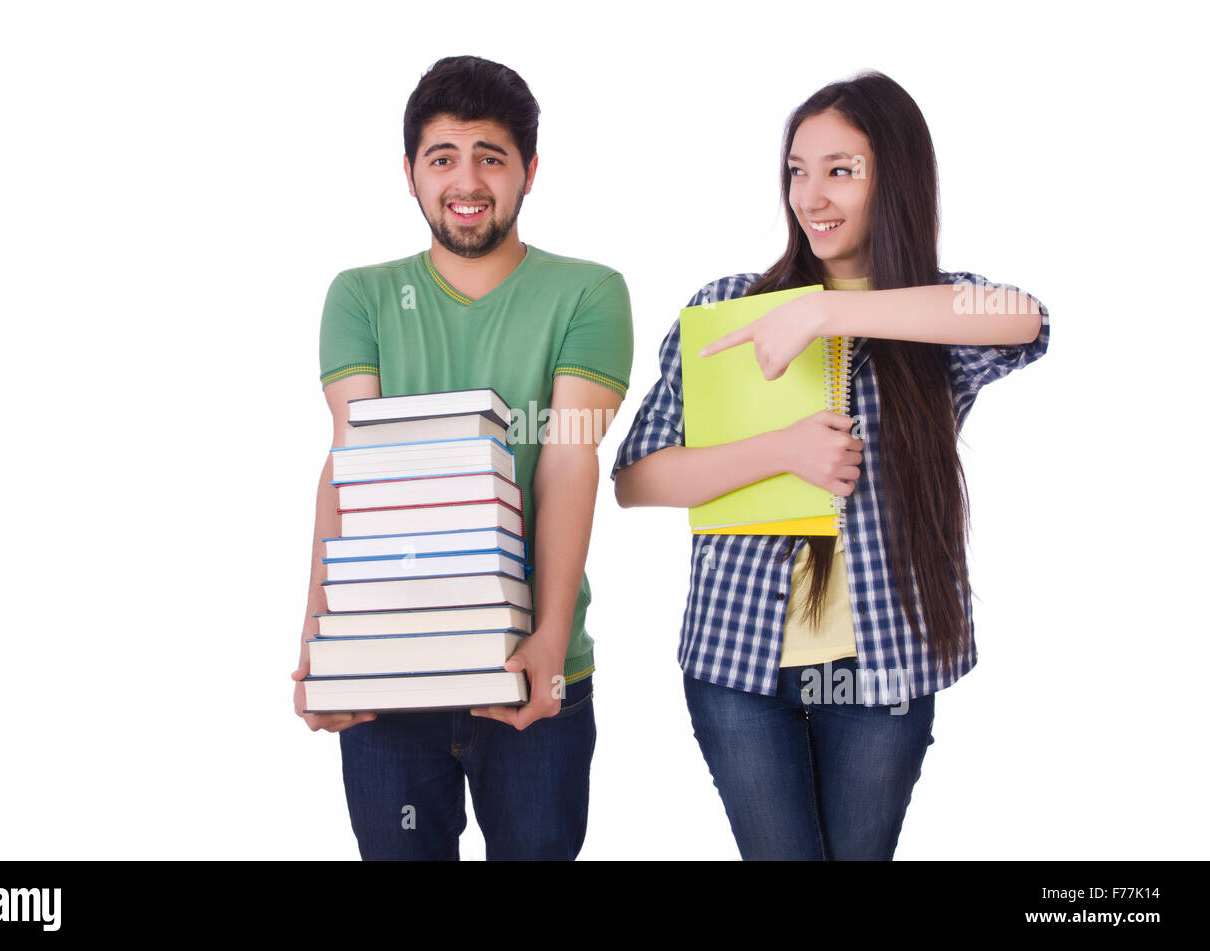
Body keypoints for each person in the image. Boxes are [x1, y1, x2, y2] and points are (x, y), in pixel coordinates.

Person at [610, 71, 1049, 860]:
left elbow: (1027, 319)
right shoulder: (728, 307)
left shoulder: (931, 318)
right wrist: (779, 452)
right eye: (797, 170)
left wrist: (828, 308)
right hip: (740, 666)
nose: (811, 195)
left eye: (840, 170)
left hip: (883, 671)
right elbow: (637, 478)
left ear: (898, 177)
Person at [293, 55, 633, 861]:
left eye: (491, 155)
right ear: (409, 173)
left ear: (529, 172)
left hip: (531, 662)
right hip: (386, 666)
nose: (466, 179)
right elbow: (351, 465)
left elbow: (568, 462)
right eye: (442, 157)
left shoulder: (587, 292)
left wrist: (549, 639)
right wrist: (318, 637)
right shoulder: (361, 296)